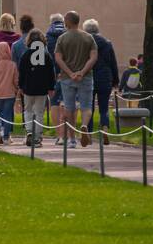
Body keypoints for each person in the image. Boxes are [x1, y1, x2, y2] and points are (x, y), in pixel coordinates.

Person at [54, 10, 97, 147]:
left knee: (69, 108)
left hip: (67, 78)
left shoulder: (62, 38)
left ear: (67, 21)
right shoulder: (88, 37)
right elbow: (93, 57)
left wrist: (70, 72)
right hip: (86, 77)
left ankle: (72, 139)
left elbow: (58, 58)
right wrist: (82, 72)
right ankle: (84, 125)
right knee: (86, 106)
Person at [81, 19, 118, 145]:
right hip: (105, 78)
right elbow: (113, 63)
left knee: (88, 106)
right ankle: (105, 128)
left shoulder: (84, 43)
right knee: (104, 107)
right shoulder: (107, 43)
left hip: (89, 77)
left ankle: (89, 134)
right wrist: (115, 81)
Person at [18, 28, 56, 147]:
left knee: (28, 110)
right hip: (42, 88)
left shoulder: (25, 55)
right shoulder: (46, 55)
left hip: (28, 88)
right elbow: (51, 73)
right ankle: (37, 136)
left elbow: (21, 72)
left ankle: (29, 131)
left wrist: (20, 86)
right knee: (39, 112)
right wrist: (51, 87)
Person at [0, 41, 20, 144]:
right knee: (7, 115)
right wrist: (16, 89)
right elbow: (16, 80)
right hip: (10, 93)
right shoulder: (13, 65)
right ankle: (6, 136)